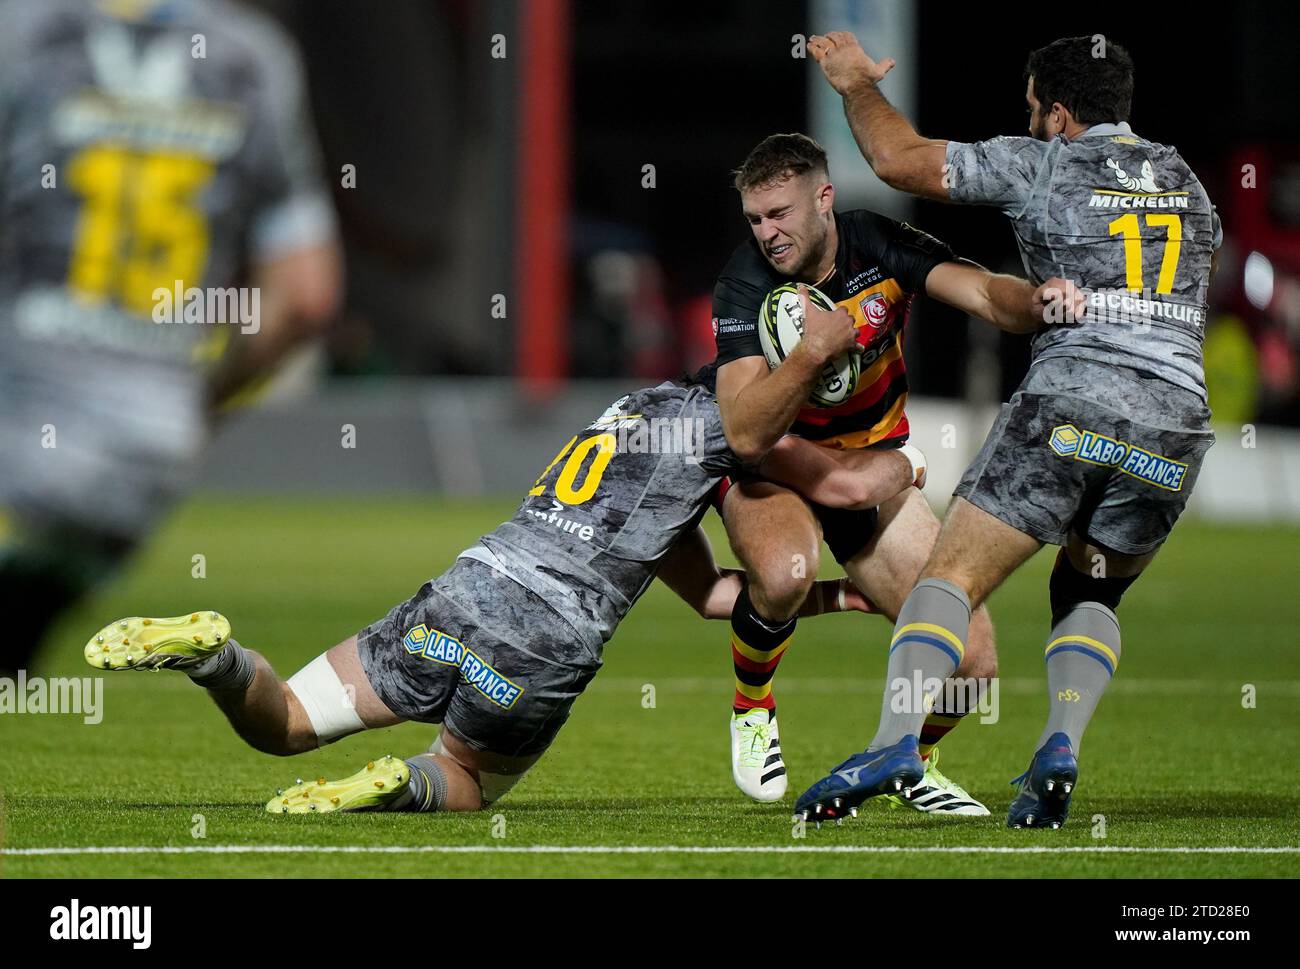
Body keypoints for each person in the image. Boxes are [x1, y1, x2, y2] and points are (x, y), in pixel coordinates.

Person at [80, 298, 943, 814]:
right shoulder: (733, 430)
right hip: (547, 639)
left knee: (290, 726)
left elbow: (715, 593)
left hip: (467, 586)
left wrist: (839, 599)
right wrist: (911, 461)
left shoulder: (630, 410)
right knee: (466, 779)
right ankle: (406, 783)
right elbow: (838, 488)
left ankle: (215, 658)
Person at [795, 32, 1217, 828]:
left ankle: (893, 741)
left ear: (1058, 114)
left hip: (1075, 399)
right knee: (1088, 587)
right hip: (1177, 421)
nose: (1027, 126)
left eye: (1031, 111)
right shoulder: (1187, 182)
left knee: (946, 581)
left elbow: (900, 160)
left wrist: (854, 86)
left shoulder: (1046, 164)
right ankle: (1058, 747)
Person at [709, 132, 1061, 814]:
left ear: (824, 197)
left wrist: (1043, 301)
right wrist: (812, 354)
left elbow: (986, 295)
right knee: (783, 575)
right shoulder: (744, 280)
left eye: (779, 213)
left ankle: (911, 760)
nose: (767, 233)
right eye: (755, 219)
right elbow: (746, 429)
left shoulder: (876, 244)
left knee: (973, 666)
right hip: (776, 464)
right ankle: (752, 704)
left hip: (869, 456)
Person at [0, 0, 342, 675]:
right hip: (146, 448)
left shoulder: (23, 31)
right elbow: (306, 295)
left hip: (22, 423)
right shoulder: (251, 57)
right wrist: (198, 400)